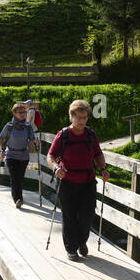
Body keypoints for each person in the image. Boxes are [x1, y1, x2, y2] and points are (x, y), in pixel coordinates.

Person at [47, 99, 108, 261]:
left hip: (88, 181)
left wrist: (103, 169)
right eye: (80, 117)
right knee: (70, 216)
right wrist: (56, 168)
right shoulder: (64, 135)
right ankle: (71, 248)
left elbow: (98, 153)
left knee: (87, 215)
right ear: (72, 116)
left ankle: (82, 242)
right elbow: (51, 155)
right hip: (68, 181)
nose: (83, 120)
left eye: (85, 117)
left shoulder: (90, 134)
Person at [0, 102, 39, 208]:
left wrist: (36, 142)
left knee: (20, 178)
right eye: (20, 112)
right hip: (11, 154)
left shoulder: (28, 126)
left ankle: (18, 197)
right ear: (14, 113)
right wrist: (2, 149)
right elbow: (1, 137)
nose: (23, 114)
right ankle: (18, 199)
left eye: (24, 112)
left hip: (23, 156)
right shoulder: (9, 126)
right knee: (15, 177)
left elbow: (32, 138)